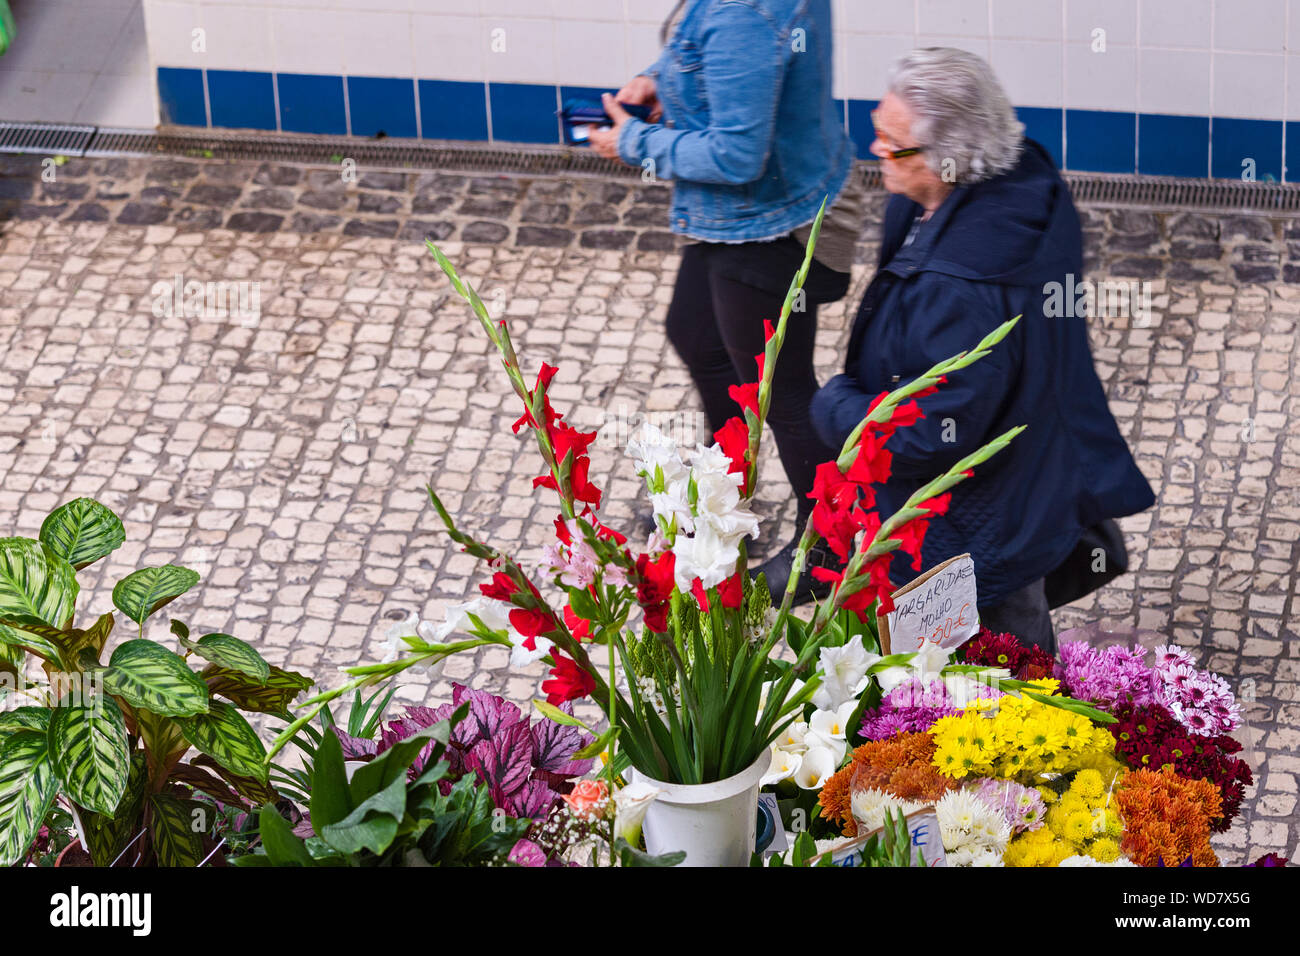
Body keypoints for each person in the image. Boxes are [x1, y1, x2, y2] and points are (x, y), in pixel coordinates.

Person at [810, 48, 1155, 652]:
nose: (876, 153)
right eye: (877, 130)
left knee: (995, 677)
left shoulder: (963, 287)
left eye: (893, 144)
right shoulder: (1019, 176)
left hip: (976, 528)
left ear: (949, 158)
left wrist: (835, 406)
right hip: (1023, 488)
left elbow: (928, 437)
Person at [587, 0, 864, 604]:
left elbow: (738, 156)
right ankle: (726, 492)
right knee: (697, 334)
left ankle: (832, 546)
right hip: (746, 212)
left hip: (771, 223)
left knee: (780, 389)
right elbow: (728, 63)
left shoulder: (745, 12)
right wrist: (662, 82)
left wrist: (635, 141)